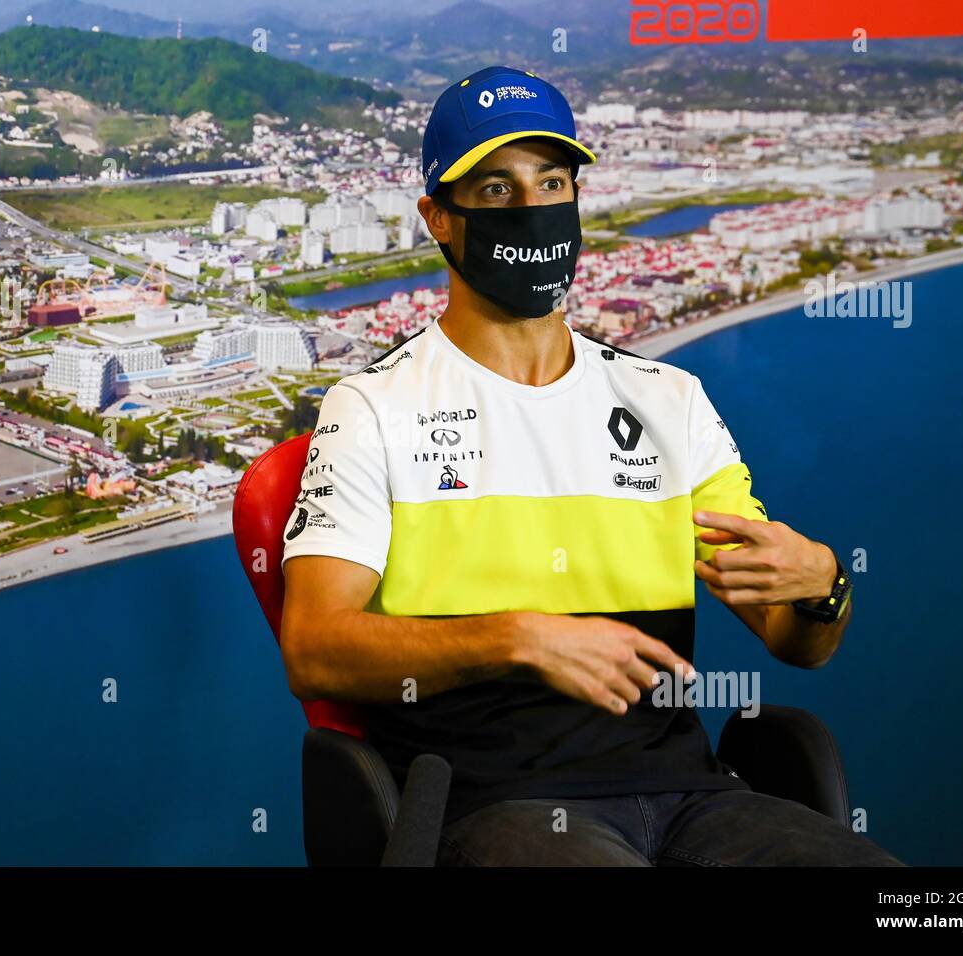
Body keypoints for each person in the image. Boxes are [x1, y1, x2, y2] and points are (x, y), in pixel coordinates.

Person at [280, 65, 902, 866]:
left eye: (552, 183)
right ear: (438, 217)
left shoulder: (669, 400)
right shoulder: (371, 408)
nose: (533, 210)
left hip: (696, 799)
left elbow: (796, 642)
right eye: (497, 191)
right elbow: (315, 649)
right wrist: (518, 638)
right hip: (496, 807)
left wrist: (823, 585)